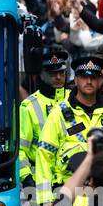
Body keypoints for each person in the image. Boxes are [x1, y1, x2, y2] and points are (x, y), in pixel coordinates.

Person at [36, 54, 103, 206]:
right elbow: (44, 156)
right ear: (75, 80)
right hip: (69, 194)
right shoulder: (59, 113)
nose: (89, 81)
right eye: (83, 77)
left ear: (100, 81)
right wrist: (46, 200)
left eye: (94, 77)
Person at [19, 45, 69, 195]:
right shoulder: (29, 106)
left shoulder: (74, 99)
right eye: (53, 73)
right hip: (41, 182)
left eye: (61, 72)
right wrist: (27, 178)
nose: (58, 77)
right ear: (41, 75)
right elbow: (21, 150)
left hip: (72, 180)